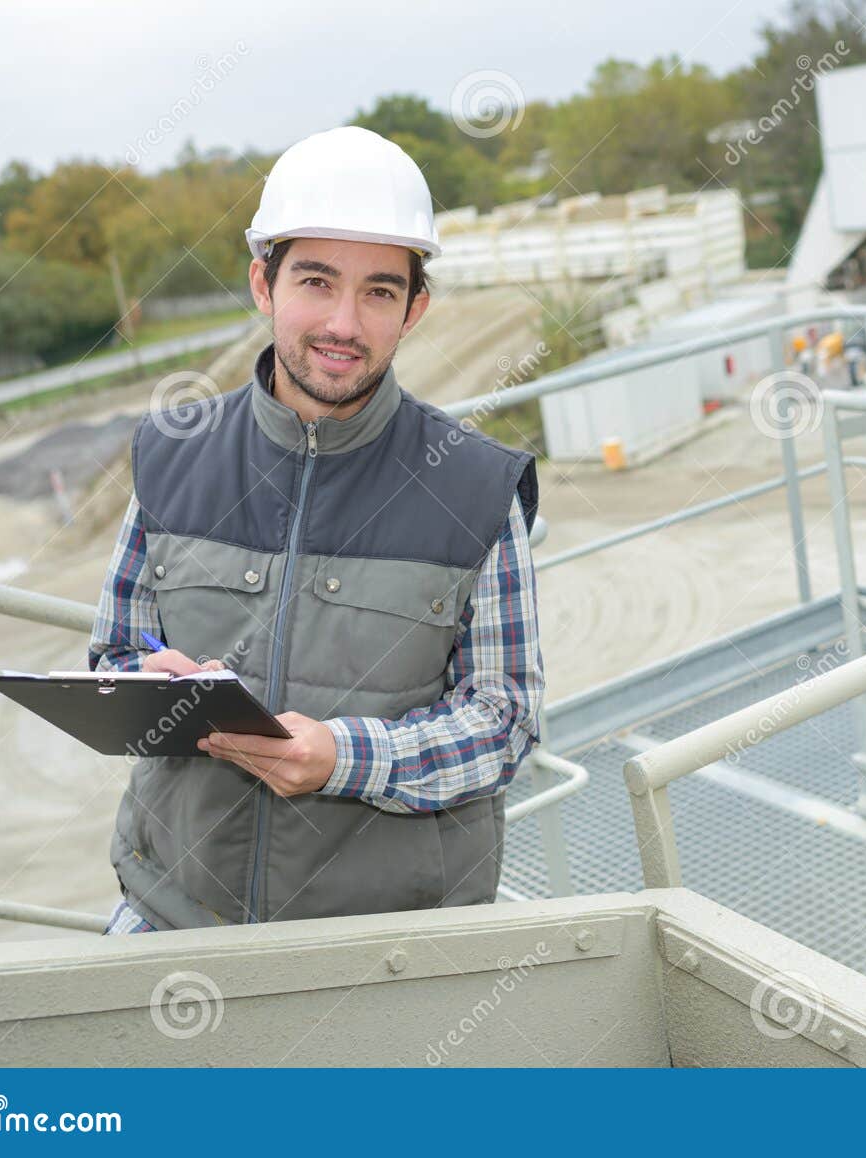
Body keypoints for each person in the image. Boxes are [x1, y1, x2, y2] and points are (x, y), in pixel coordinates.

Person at [87, 126, 543, 933]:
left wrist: (345, 758)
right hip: (172, 912)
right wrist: (151, 688)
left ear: (415, 310)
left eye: (378, 292)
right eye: (316, 281)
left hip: (388, 937)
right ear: (263, 285)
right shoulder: (170, 456)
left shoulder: (476, 485)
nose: (343, 322)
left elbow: (503, 719)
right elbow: (114, 653)